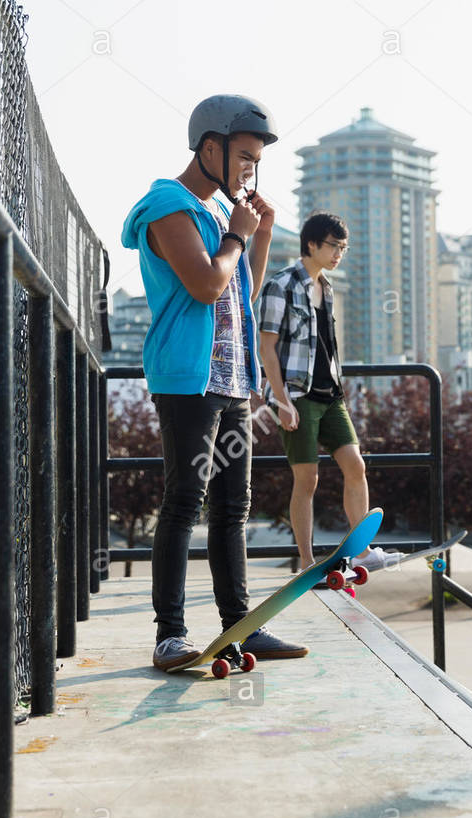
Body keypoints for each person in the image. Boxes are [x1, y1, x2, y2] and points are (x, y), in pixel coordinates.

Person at [120, 94, 307, 672]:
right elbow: (204, 284)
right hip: (185, 379)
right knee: (184, 502)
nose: (251, 169)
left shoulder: (221, 216)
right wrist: (235, 235)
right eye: (245, 156)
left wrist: (262, 231)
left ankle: (243, 627)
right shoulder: (167, 207)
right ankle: (170, 636)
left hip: (228, 378)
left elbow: (239, 293)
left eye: (256, 160)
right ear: (210, 148)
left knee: (233, 506)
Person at [256, 211, 399, 576]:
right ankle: (306, 561)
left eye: (344, 248)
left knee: (356, 465)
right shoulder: (281, 284)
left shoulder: (328, 289)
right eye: (334, 246)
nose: (339, 254)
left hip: (330, 395)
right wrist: (281, 400)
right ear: (312, 244)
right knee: (307, 480)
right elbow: (266, 347)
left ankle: (362, 551)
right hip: (297, 396)